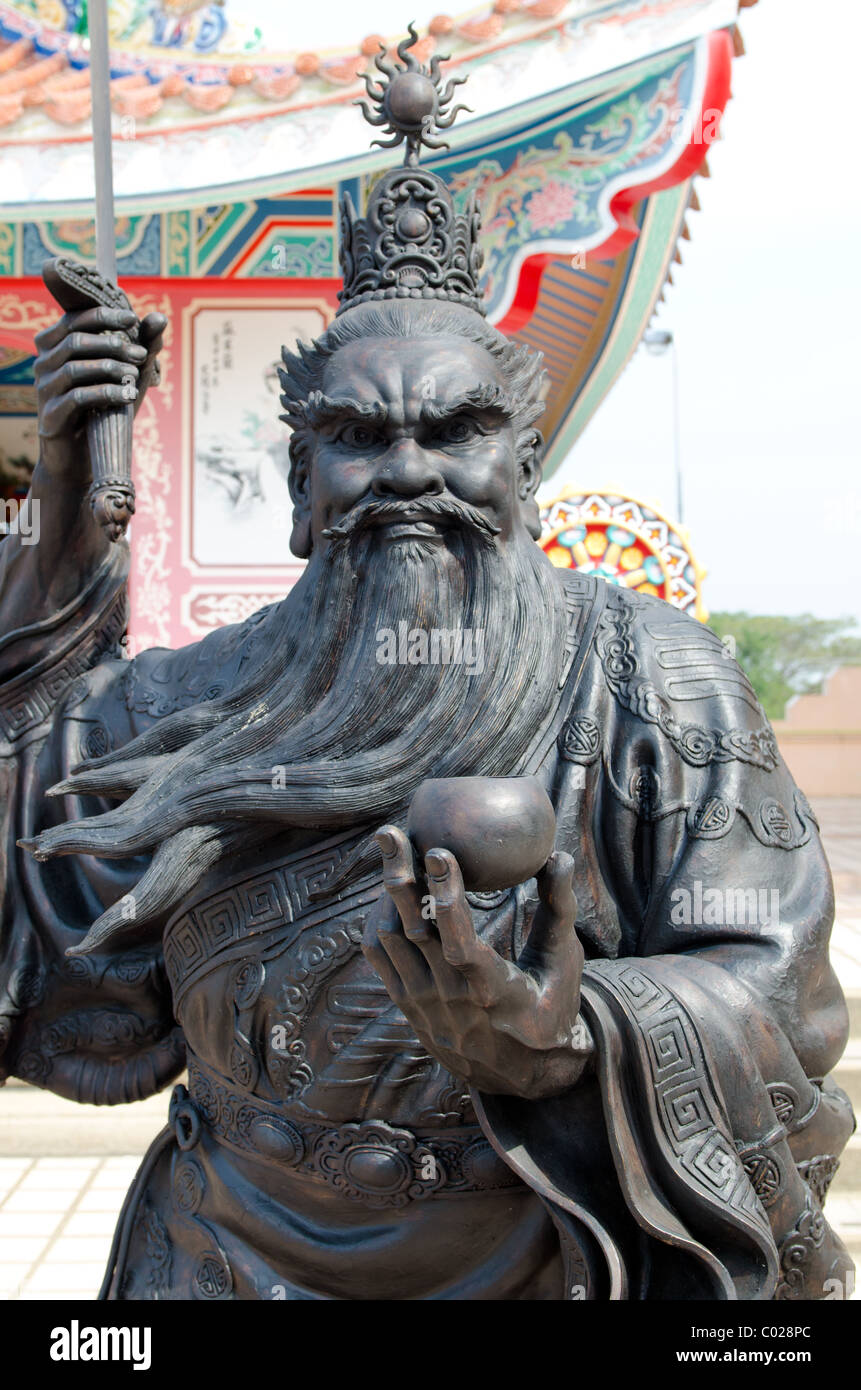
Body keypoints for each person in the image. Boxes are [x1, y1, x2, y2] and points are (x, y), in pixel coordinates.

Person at [0, 35, 853, 1301]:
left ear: (525, 470)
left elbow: (780, 987)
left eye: (452, 431)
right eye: (355, 437)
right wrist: (60, 532)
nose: (405, 470)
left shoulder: (657, 686)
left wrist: (567, 1034)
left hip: (547, 1251)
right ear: (301, 486)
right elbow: (33, 844)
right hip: (219, 1257)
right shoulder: (190, 699)